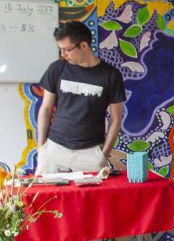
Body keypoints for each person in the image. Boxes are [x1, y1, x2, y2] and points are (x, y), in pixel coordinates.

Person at [35, 21, 125, 175]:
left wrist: (103, 154)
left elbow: (116, 118)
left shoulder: (111, 75)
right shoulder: (57, 68)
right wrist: (41, 146)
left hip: (91, 152)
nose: (63, 55)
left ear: (83, 46)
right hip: (54, 149)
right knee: (46, 197)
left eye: (66, 50)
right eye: (60, 50)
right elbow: (46, 108)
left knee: (91, 199)